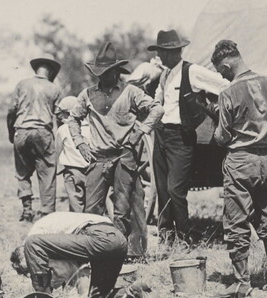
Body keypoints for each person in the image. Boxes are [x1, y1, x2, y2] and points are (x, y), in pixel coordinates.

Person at [67, 42, 164, 261]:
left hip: (124, 155)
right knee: (91, 209)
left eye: (106, 73)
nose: (101, 77)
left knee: (123, 208)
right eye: (98, 73)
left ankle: (120, 255)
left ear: (116, 72)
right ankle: (91, 252)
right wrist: (80, 143)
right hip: (99, 157)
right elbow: (73, 118)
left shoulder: (130, 92)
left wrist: (140, 131)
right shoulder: (87, 95)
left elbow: (157, 109)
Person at [211, 39, 267, 297]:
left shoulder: (228, 94)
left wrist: (217, 123)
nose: (221, 75)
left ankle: (242, 283)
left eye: (221, 70)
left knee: (236, 220)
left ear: (227, 63)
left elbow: (222, 137)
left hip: (240, 162)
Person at [147, 29, 228, 244]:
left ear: (176, 52)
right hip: (161, 135)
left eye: (166, 51)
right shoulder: (164, 75)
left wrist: (218, 109)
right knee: (163, 189)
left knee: (176, 189)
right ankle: (166, 237)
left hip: (181, 137)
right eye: (161, 51)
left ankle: (185, 238)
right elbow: (158, 101)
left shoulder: (192, 72)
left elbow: (224, 86)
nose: (163, 56)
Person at [9, 211, 158, 298]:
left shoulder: (35, 238)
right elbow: (75, 268)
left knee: (32, 243)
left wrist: (45, 292)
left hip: (99, 236)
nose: (33, 270)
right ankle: (133, 291)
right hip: (117, 242)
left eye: (30, 267)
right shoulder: (50, 244)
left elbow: (65, 270)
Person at [7, 54, 63, 221]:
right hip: (43, 132)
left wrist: (12, 133)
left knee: (22, 173)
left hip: (21, 131)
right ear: (51, 71)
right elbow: (60, 116)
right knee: (47, 174)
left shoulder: (22, 84)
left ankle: (26, 210)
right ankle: (46, 214)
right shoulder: (54, 89)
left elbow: (11, 111)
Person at [53, 96, 88, 212]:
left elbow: (57, 150)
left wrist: (58, 169)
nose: (60, 117)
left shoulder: (62, 129)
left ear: (69, 113)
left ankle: (77, 225)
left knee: (75, 202)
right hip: (91, 170)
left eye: (62, 114)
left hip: (72, 171)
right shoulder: (90, 128)